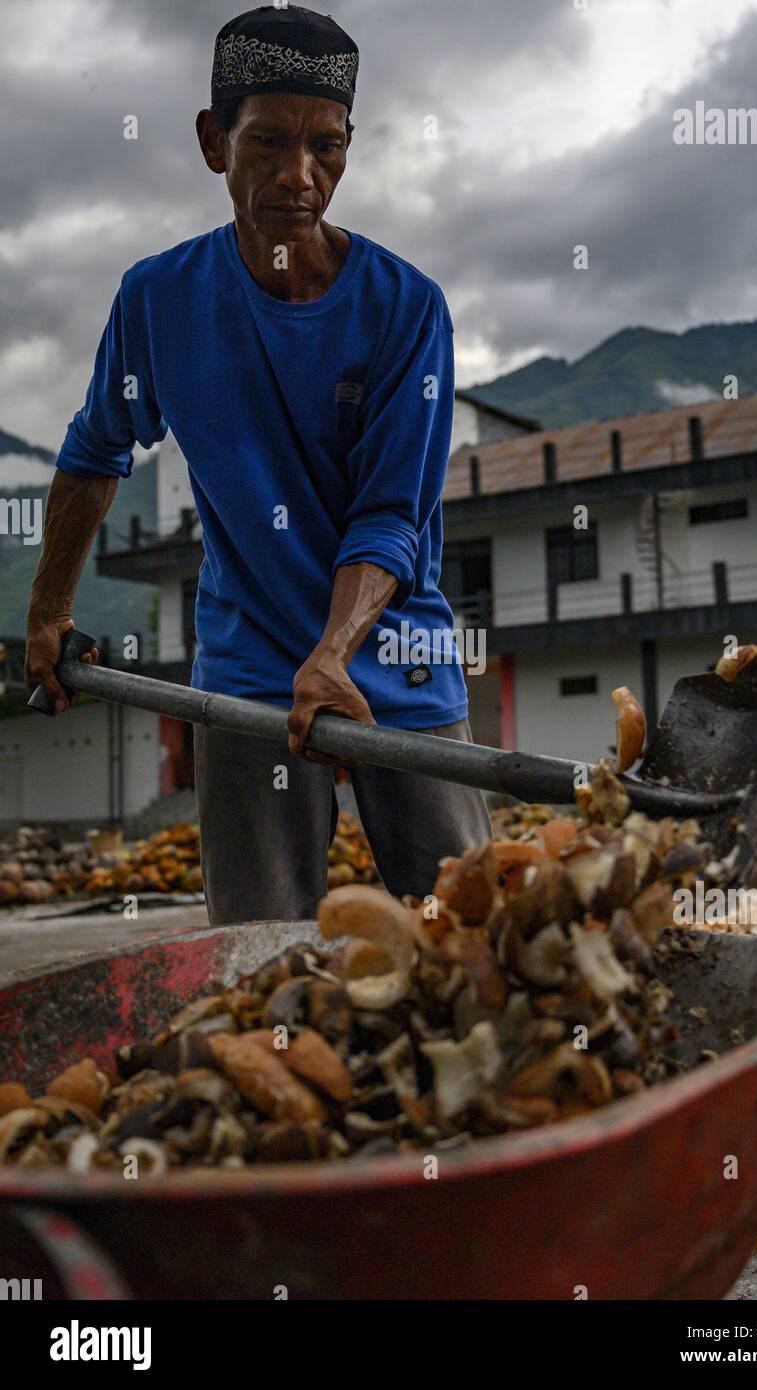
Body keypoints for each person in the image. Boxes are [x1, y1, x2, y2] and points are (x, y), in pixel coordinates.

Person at [26, 4, 491, 924]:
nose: (298, 176)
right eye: (268, 140)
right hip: (245, 674)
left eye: (325, 145)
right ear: (212, 142)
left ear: (350, 146)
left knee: (470, 935)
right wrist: (47, 614)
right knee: (259, 951)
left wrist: (334, 654)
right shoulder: (158, 299)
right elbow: (92, 455)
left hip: (397, 662)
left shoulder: (406, 309)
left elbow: (391, 515)